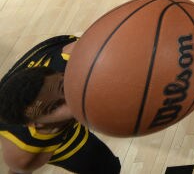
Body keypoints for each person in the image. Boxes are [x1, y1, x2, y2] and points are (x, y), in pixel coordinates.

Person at [0, 35, 121, 174]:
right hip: (51, 135)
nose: (71, 99)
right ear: (37, 124)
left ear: (62, 75)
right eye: (55, 107)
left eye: (64, 88)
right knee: (107, 168)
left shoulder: (76, 56)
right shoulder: (23, 152)